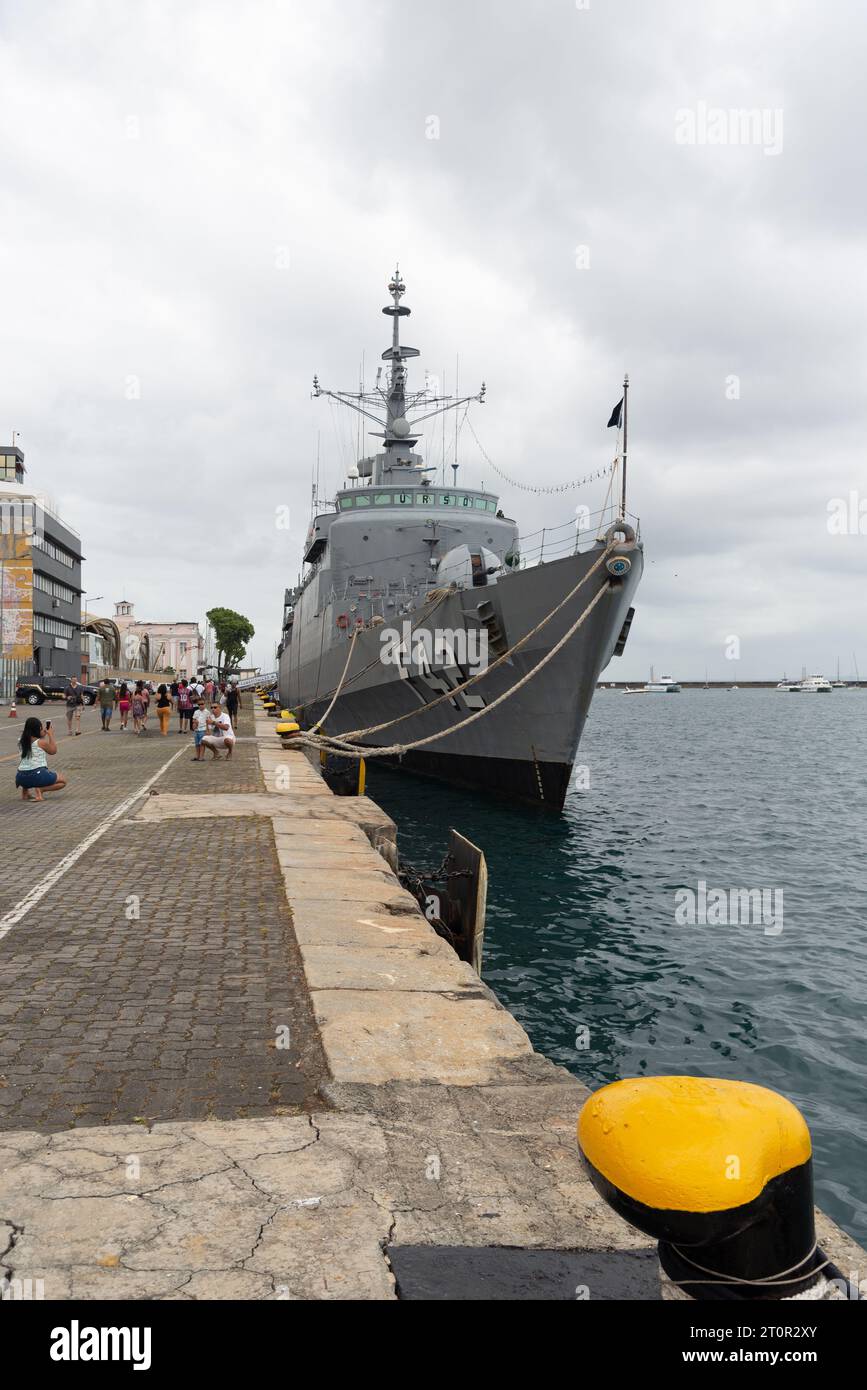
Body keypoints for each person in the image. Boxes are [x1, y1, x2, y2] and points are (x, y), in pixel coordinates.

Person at [15, 716, 67, 801]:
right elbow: (53, 751)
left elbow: (33, 740)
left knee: (27, 767)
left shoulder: (21, 741)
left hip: (20, 778)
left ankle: (25, 793)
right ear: (38, 729)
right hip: (36, 775)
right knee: (63, 781)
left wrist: (42, 734)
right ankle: (41, 790)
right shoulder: (40, 742)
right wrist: (50, 734)